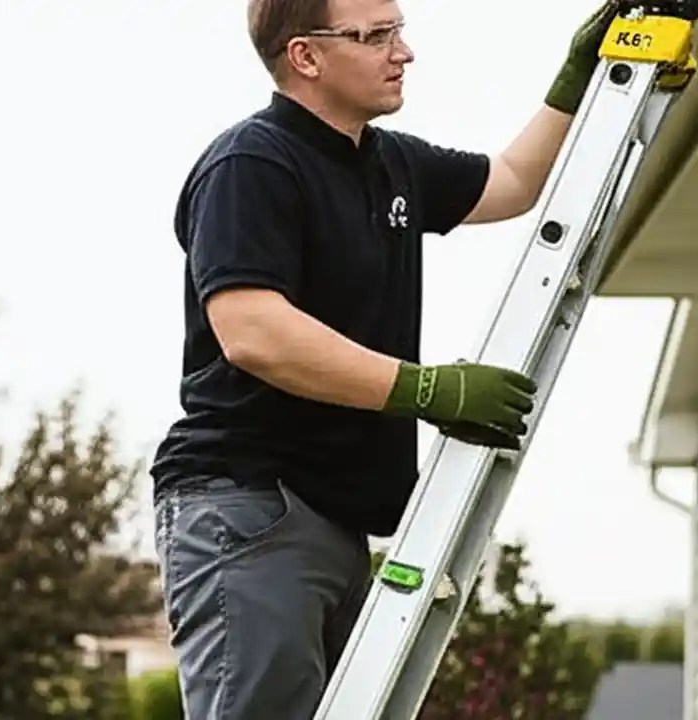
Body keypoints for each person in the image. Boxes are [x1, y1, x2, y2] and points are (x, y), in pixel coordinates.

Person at [150, 0, 624, 716]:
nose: (403, 52)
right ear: (305, 57)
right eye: (375, 36)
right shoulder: (253, 164)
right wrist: (428, 390)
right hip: (250, 505)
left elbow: (512, 185)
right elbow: (252, 330)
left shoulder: (388, 162)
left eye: (398, 30)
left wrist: (580, 75)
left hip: (336, 515)